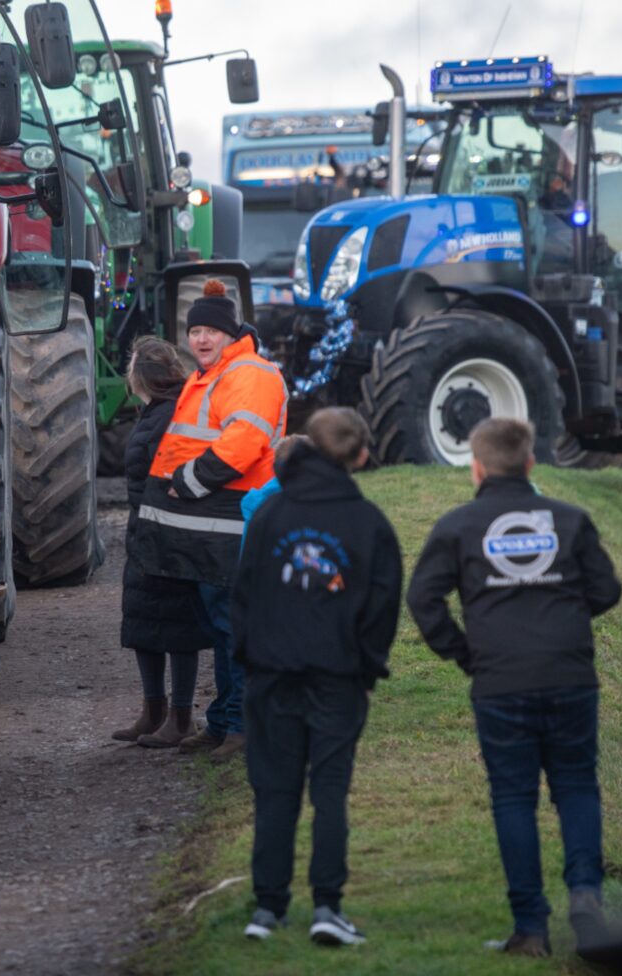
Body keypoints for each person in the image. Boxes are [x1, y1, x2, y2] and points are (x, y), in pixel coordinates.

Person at [406, 417, 622, 958]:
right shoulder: (570, 520)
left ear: (475, 467)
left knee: (513, 799)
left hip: (499, 682)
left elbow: (422, 600)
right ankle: (586, 899)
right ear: (530, 464)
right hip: (570, 676)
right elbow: (607, 590)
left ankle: (530, 929)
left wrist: (463, 653)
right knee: (576, 787)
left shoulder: (458, 526)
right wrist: (566, 616)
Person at [232, 408, 402, 946]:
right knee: (330, 792)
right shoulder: (370, 521)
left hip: (272, 673)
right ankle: (327, 906)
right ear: (361, 455)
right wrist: (367, 663)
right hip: (337, 676)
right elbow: (383, 604)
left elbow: (242, 591)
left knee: (275, 791)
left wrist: (249, 656)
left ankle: (267, 908)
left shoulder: (269, 514)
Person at [131, 280, 288, 760]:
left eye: (210, 332)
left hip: (232, 523)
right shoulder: (211, 375)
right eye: (194, 330)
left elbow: (242, 443)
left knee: (235, 629)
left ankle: (242, 725)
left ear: (230, 333)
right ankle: (222, 722)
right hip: (207, 527)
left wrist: (188, 481)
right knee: (220, 630)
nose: (200, 339)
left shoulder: (249, 374)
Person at [113, 337, 215, 749]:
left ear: (141, 377)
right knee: (145, 622)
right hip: (148, 529)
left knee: (176, 626)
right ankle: (153, 711)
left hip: (167, 532)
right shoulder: (159, 410)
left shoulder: (172, 412)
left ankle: (181, 716)